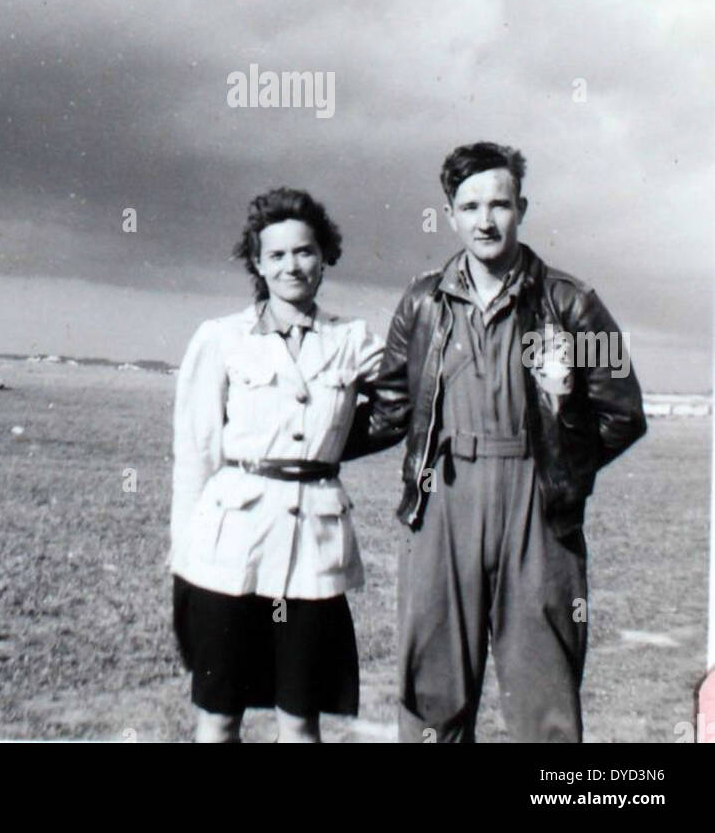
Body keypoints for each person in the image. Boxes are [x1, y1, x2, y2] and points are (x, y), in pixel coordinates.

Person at [358, 142, 647, 743]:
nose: (485, 221)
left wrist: (563, 436)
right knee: (432, 701)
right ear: (449, 215)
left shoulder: (571, 303)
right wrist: (308, 448)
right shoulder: (422, 302)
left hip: (537, 509)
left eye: (500, 205)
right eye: (470, 207)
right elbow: (389, 411)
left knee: (545, 706)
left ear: (522, 209)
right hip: (442, 499)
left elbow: (623, 414)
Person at [170, 186, 390, 743]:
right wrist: (185, 557)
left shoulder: (352, 339)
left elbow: (407, 396)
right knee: (219, 715)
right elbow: (196, 453)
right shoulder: (220, 338)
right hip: (228, 552)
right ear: (258, 263)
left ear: (324, 257)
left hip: (313, 551)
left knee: (300, 718)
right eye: (277, 254)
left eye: (305, 251)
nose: (292, 266)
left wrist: (333, 443)